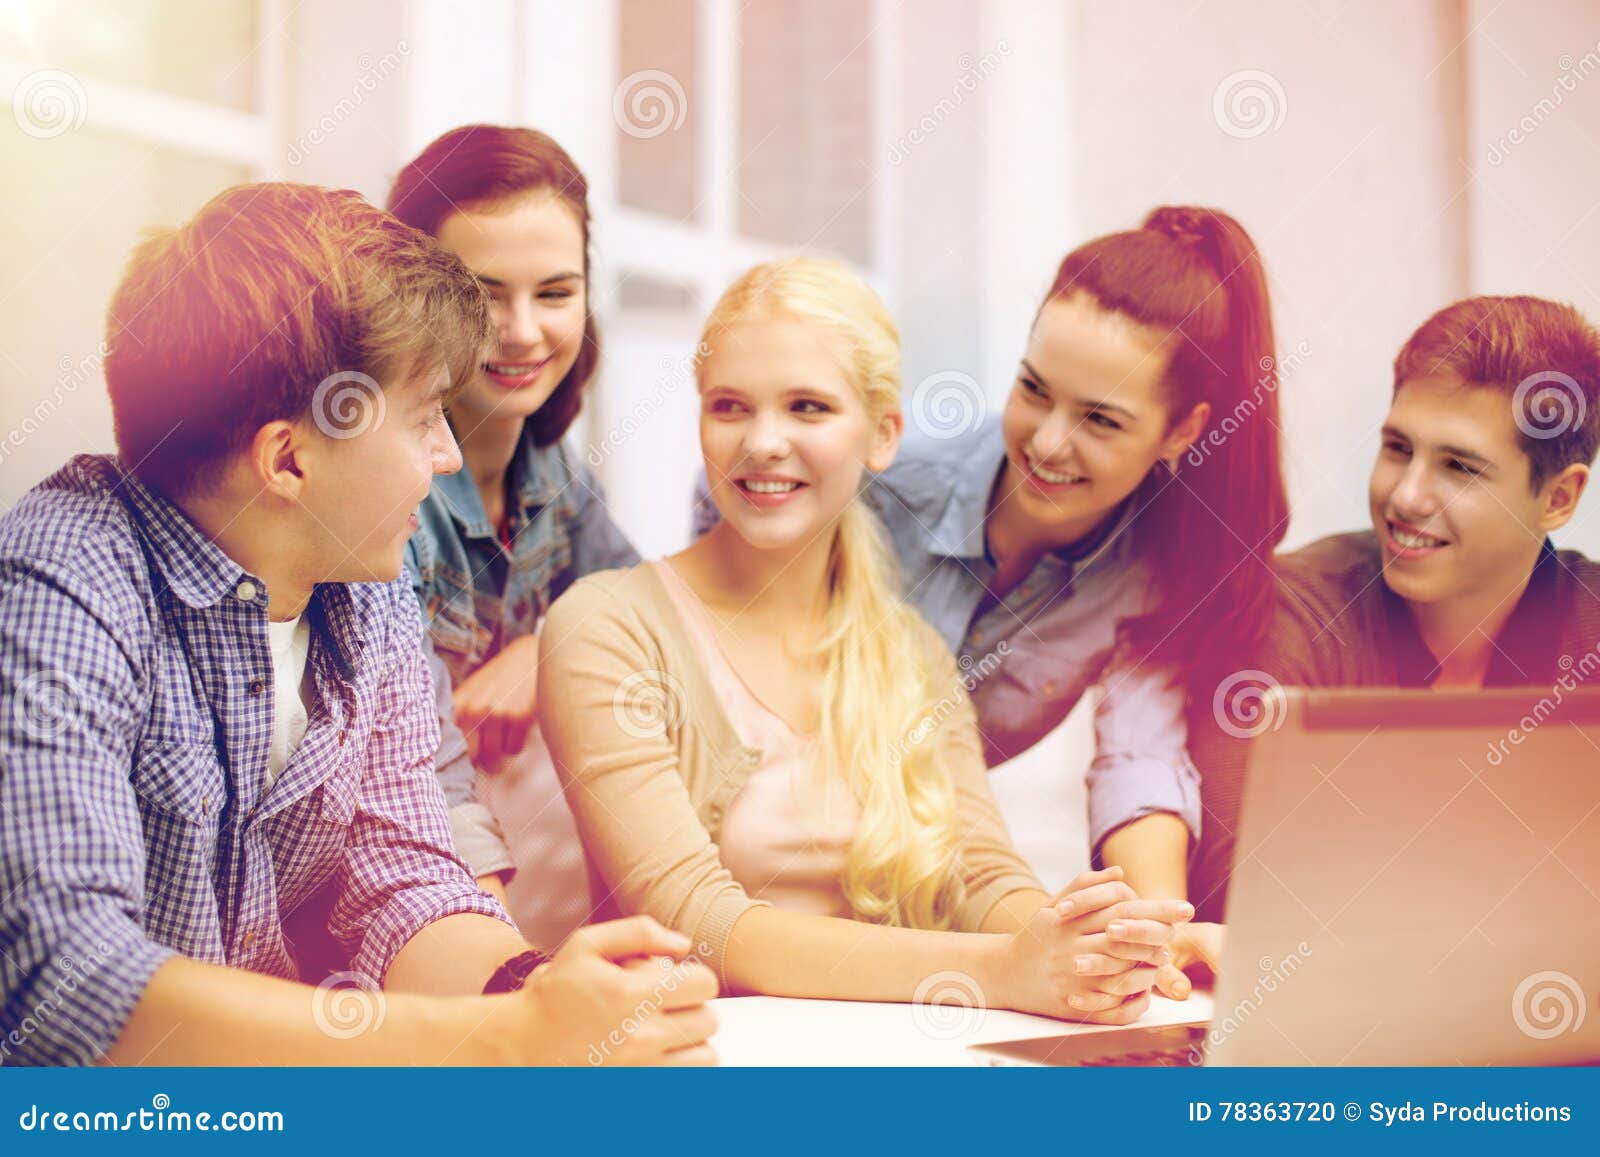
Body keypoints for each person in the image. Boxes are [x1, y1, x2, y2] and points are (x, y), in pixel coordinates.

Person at [0, 183, 715, 1066]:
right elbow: (67, 980)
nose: (449, 456)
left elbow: (402, 880)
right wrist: (503, 1040)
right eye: (424, 422)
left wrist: (543, 993)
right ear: (289, 459)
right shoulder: (63, 577)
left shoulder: (362, 579)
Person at [539, 256, 1192, 1022]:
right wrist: (1002, 970)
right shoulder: (606, 627)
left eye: (808, 407)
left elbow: (980, 873)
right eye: (729, 406)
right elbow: (696, 921)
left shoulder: (911, 648)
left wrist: (1092, 944)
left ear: (882, 435)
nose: (763, 442)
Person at [691, 206, 1286, 994]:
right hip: (756, 910)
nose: (1047, 441)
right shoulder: (882, 477)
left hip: (926, 928)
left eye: (1100, 420)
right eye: (1034, 389)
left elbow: (1138, 760)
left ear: (1182, 432)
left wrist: (1155, 932)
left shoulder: (1160, 570)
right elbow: (724, 525)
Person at [1187, 294, 1600, 925]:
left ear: (1559, 497)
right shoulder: (1290, 612)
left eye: (1460, 467)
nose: (1405, 496)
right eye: (1399, 448)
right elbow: (1231, 895)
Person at [388, 125, 639, 940]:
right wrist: (511, 978)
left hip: (526, 898)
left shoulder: (553, 472)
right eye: (483, 293)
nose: (524, 330)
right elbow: (418, 769)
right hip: (412, 902)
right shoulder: (386, 496)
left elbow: (661, 606)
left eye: (556, 293)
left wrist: (549, 645)